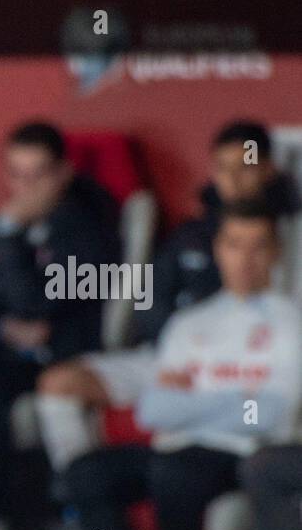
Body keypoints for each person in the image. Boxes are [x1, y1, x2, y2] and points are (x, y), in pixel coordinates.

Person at [67, 201, 302, 530]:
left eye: (258, 246)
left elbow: (274, 412)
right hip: (177, 447)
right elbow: (154, 410)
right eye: (235, 245)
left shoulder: (289, 322)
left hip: (245, 454)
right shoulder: (190, 323)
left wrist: (194, 401)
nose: (246, 258)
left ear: (276, 252)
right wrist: (236, 397)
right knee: (86, 472)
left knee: (177, 467)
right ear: (218, 250)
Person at [37, 121, 302, 474]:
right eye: (224, 169)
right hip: (179, 355)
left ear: (269, 170)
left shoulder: (294, 233)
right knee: (60, 383)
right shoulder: (192, 234)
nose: (234, 180)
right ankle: (78, 487)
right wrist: (174, 353)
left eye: (245, 168)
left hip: (254, 363)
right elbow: (153, 300)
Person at [0, 121, 120, 530]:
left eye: (37, 175)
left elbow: (34, 306)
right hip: (2, 360)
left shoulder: (87, 228)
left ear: (63, 173)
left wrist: (9, 239)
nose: (25, 188)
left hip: (66, 359)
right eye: (16, 175)